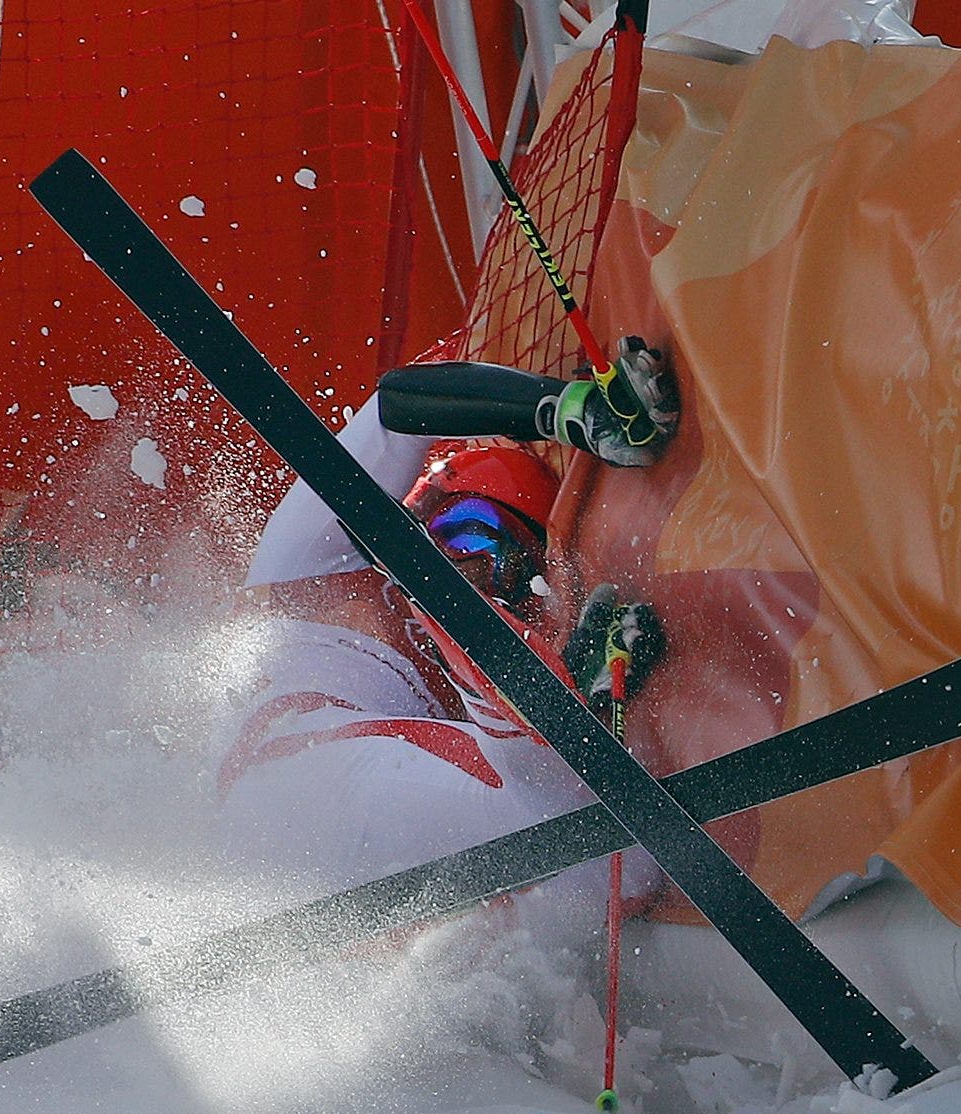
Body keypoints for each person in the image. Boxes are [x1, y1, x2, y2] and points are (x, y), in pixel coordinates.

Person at [219, 342, 677, 955]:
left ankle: (473, 985)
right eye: (463, 527)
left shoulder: (513, 628)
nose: (473, 565)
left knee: (599, 870)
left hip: (347, 895)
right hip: (290, 768)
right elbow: (397, 404)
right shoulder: (310, 561)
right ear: (416, 514)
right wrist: (570, 410)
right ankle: (558, 733)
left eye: (505, 559)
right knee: (582, 830)